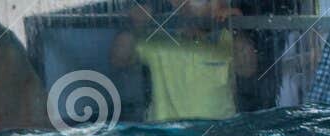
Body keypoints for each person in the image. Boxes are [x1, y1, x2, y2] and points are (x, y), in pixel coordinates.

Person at [110, 0, 257, 121]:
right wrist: (133, 24)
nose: (213, 6)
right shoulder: (158, 39)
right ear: (176, 4)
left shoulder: (229, 38)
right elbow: (119, 59)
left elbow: (247, 69)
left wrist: (236, 26)